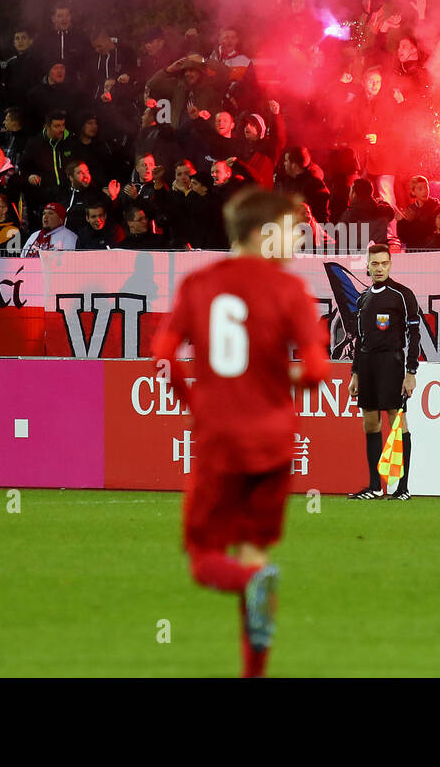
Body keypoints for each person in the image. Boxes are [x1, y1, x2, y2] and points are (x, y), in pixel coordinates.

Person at [149, 187, 330, 678]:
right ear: (262, 233)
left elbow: (163, 356)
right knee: (255, 556)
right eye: (292, 232)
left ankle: (248, 584)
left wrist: (199, 405)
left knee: (204, 556)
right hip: (274, 444)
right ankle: (254, 670)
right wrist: (277, 376)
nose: (298, 242)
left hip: (219, 441)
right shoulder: (291, 291)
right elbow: (316, 372)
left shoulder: (199, 285)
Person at [347, 244, 421, 500]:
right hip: (367, 365)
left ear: (390, 265)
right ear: (367, 266)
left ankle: (402, 487)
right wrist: (355, 373)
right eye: (374, 264)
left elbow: (414, 333)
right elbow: (360, 338)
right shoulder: (363, 298)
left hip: (392, 363)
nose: (379, 268)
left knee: (396, 421)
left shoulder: (402, 295)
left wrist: (410, 371)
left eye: (384, 263)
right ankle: (375, 486)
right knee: (370, 423)